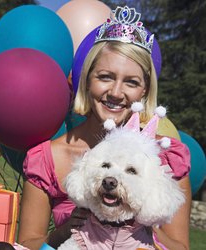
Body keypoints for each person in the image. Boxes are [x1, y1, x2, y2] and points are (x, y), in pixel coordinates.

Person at [17, 5, 191, 250]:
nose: (116, 93)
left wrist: (143, 226)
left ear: (144, 91)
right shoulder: (46, 159)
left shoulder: (167, 158)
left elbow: (182, 247)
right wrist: (66, 231)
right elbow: (26, 244)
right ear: (88, 80)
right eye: (105, 77)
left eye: (131, 82)